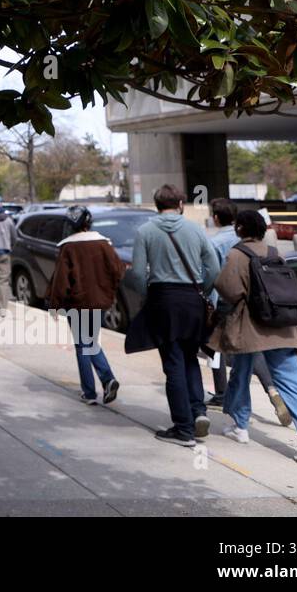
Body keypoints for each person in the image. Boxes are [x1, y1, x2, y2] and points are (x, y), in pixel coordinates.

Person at [211, 210, 297, 464]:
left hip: (250, 327)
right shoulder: (276, 253)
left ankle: (240, 426)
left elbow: (228, 290)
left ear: (240, 229)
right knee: (293, 379)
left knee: (240, 372)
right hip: (283, 327)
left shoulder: (237, 254)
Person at [124, 184, 220, 446]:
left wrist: (147, 295)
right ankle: (198, 411)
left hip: (163, 300)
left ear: (156, 205)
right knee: (190, 358)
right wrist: (203, 289)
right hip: (193, 300)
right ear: (180, 204)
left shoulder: (145, 231)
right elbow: (213, 265)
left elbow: (136, 274)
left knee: (173, 364)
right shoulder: (195, 229)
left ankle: (183, 428)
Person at [206, 198, 292, 426]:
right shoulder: (253, 242)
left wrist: (212, 306)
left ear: (216, 218)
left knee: (217, 351)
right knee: (254, 351)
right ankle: (272, 389)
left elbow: (216, 279)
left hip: (229, 306)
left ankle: (223, 396)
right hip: (258, 306)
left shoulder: (216, 244)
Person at [46, 206, 123, 406]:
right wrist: (109, 292)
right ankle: (106, 381)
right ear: (88, 222)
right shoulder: (103, 243)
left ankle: (93, 389)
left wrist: (54, 305)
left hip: (77, 303)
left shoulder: (68, 247)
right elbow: (118, 270)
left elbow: (60, 280)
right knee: (90, 342)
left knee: (83, 345)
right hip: (100, 302)